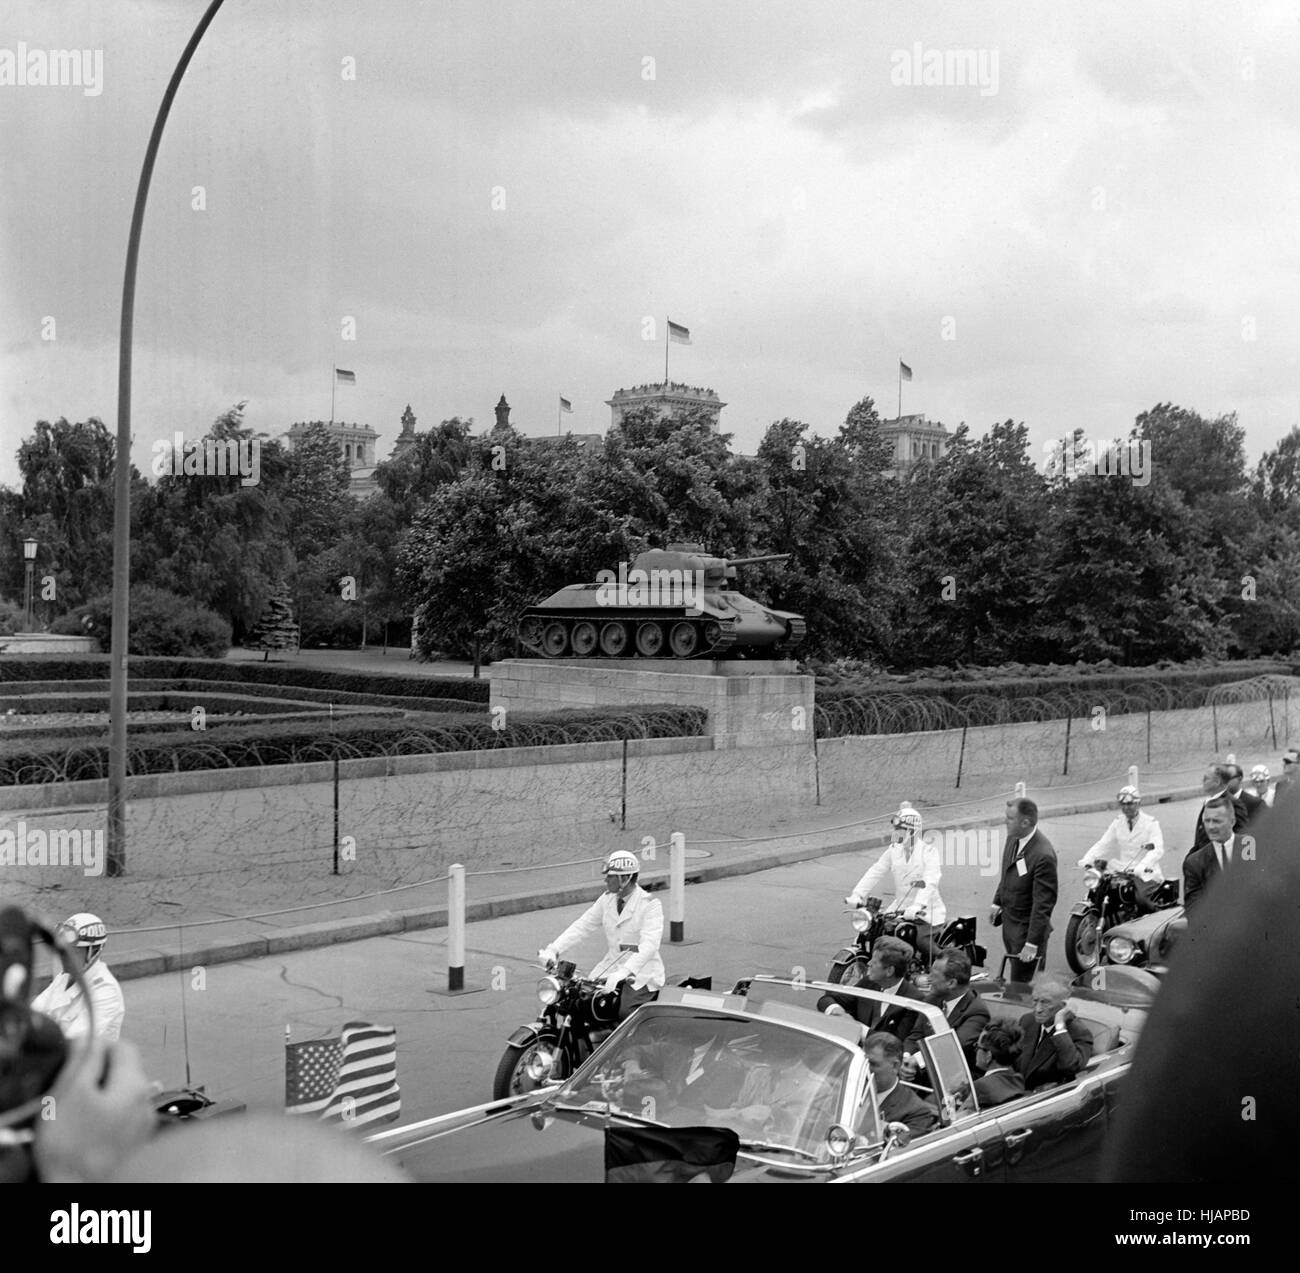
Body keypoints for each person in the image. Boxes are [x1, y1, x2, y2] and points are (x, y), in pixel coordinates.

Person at [539, 850, 664, 1020]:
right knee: (578, 1002)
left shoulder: (649, 905)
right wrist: (554, 949)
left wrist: (624, 972)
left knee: (626, 1014)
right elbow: (582, 926)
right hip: (609, 968)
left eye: (610, 876)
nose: (605, 879)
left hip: (640, 975)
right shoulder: (607, 899)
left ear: (624, 878)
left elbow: (649, 946)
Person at [843, 802, 946, 960]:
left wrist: (918, 905)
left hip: (926, 911)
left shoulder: (928, 851)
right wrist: (857, 894)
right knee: (872, 931)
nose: (895, 832)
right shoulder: (893, 849)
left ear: (912, 830)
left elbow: (931, 880)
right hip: (899, 908)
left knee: (921, 941)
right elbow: (876, 870)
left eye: (899, 829)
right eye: (895, 829)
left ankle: (947, 967)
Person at [990, 798, 1058, 983]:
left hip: (1026, 932)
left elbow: (1043, 904)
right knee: (1017, 979)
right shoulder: (1013, 837)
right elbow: (1008, 871)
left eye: (1010, 818)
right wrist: (997, 901)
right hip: (1010, 924)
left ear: (1025, 822)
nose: (1005, 821)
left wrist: (1032, 943)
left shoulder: (1043, 855)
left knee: (1021, 987)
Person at [31, 913, 125, 1043]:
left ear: (94, 952)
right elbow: (35, 1009)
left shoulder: (107, 991)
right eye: (63, 951)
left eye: (73, 952)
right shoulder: (64, 978)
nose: (63, 957)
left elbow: (73, 1041)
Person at [902, 947, 989, 1081]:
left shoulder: (977, 1013)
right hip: (920, 1074)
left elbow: (950, 1048)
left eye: (934, 975)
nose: (928, 978)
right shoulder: (932, 999)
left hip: (953, 1084)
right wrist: (906, 1058)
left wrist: (917, 1061)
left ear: (951, 983)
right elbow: (916, 1036)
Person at [816, 935, 926, 1041]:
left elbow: (894, 1043)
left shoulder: (914, 1000)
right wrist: (836, 1010)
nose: (868, 963)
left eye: (874, 962)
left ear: (889, 971)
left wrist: (856, 1027)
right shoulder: (868, 983)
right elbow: (826, 1000)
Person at [1077, 786, 1166, 911]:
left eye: (1129, 803)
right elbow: (1104, 843)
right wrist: (1088, 859)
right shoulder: (1118, 822)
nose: (1126, 807)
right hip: (1123, 869)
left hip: (1145, 872)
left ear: (1138, 803)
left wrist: (1143, 866)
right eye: (1122, 804)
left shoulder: (1151, 823)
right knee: (1102, 891)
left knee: (1142, 900)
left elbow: (1157, 849)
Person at [1013, 976, 1092, 1090]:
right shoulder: (1027, 1021)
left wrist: (1060, 1024)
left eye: (1046, 1003)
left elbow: (1070, 1067)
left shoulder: (1079, 1033)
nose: (1038, 1009)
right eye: (1035, 1001)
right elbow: (1012, 1060)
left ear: (1064, 1005)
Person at [863, 1031, 939, 1146]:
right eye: (864, 1063)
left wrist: (879, 1128)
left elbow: (899, 1148)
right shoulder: (846, 1089)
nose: (865, 1069)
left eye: (873, 1064)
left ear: (895, 1066)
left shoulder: (916, 1112)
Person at [1183, 796, 1247, 912]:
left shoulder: (1250, 847)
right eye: (1207, 821)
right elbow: (1193, 909)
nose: (1211, 827)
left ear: (1232, 821)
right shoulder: (1195, 862)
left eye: (1217, 821)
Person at [1189, 764, 1247, 854]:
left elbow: (1242, 835)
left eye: (1206, 779)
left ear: (1217, 782)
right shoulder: (1209, 801)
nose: (1202, 782)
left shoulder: (1232, 803)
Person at [968, 1023, 1026, 1108]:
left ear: (988, 1055)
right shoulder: (1018, 1078)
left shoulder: (979, 1087)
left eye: (977, 1047)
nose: (975, 1051)